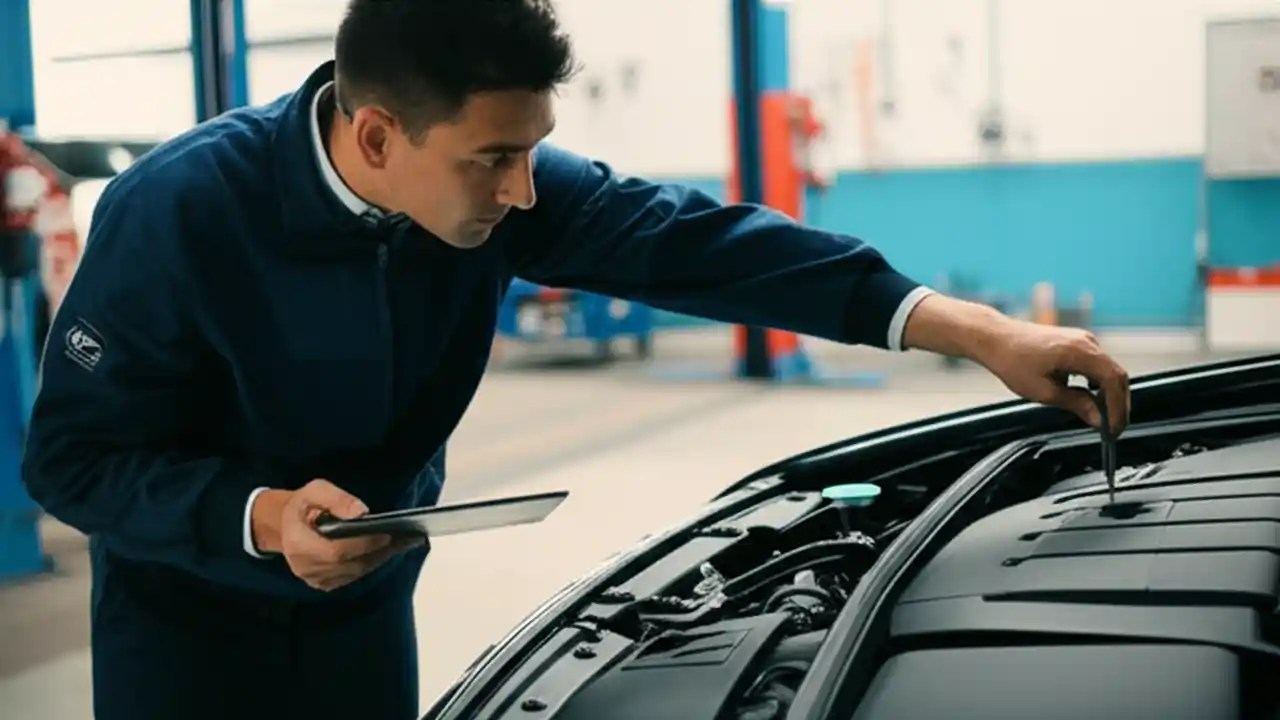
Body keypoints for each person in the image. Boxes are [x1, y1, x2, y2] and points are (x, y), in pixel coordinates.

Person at [20, 0, 1130, 718]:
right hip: (188, 633)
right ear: (374, 138)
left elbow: (700, 247)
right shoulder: (177, 216)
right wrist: (258, 518)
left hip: (362, 613)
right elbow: (71, 462)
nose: (522, 195)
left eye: (533, 151)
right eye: (493, 159)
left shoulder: (507, 187)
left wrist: (975, 328)